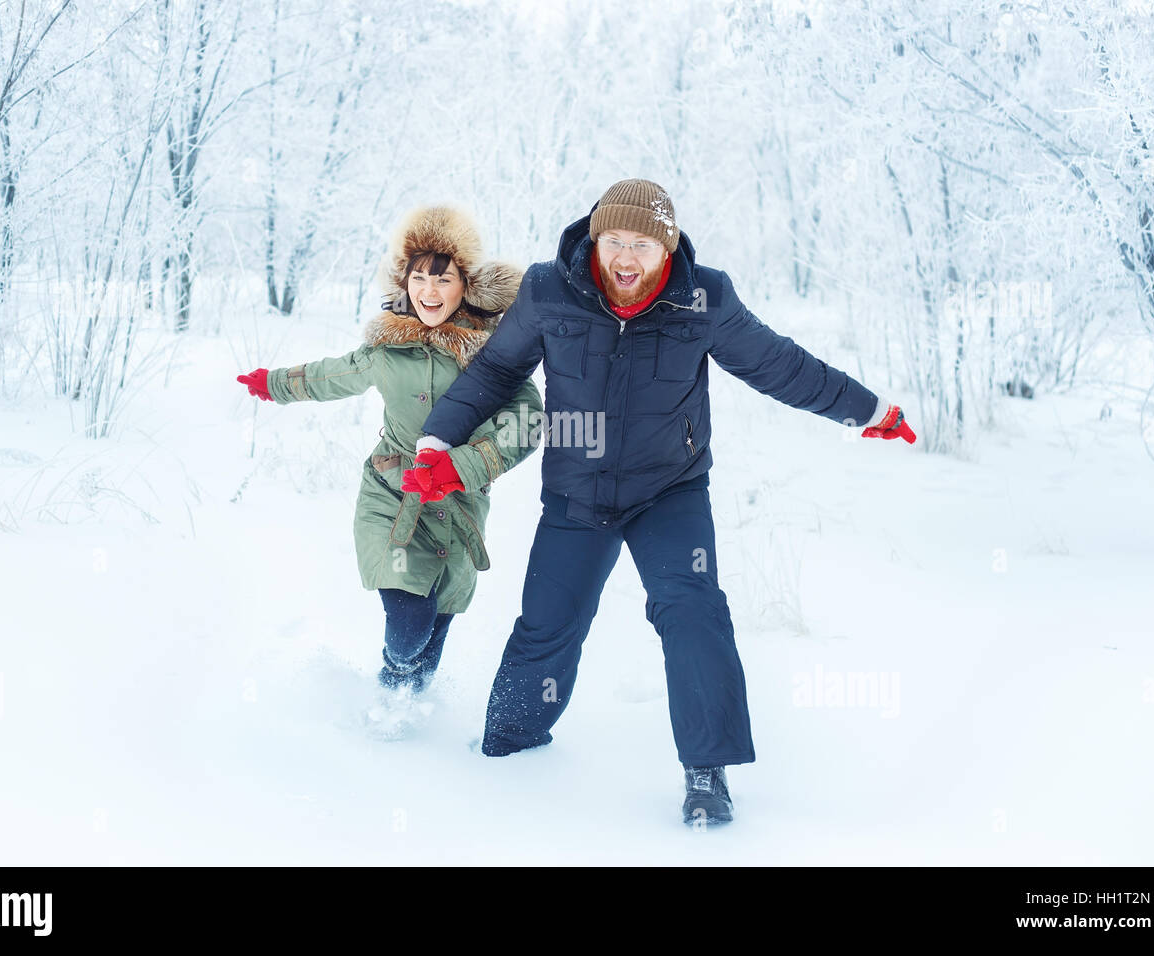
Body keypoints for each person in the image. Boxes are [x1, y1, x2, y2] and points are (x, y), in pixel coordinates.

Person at [407, 179, 915, 824]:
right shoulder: (547, 289)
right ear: (596, 238)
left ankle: (708, 773)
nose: (627, 255)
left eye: (643, 243)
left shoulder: (704, 299)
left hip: (669, 491)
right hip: (577, 493)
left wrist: (866, 409)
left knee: (694, 612)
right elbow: (495, 373)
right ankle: (509, 748)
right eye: (614, 239)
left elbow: (778, 364)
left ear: (667, 248)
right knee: (547, 624)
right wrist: (435, 442)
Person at [237, 205, 542, 735]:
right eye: (418, 276)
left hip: (459, 505)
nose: (428, 289)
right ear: (403, 281)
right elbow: (333, 374)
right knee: (407, 623)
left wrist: (463, 465)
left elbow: (529, 420)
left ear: (464, 284)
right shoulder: (387, 347)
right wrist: (275, 383)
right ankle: (388, 693)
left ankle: (402, 717)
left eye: (442, 277)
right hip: (391, 496)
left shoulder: (493, 357)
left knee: (435, 627)